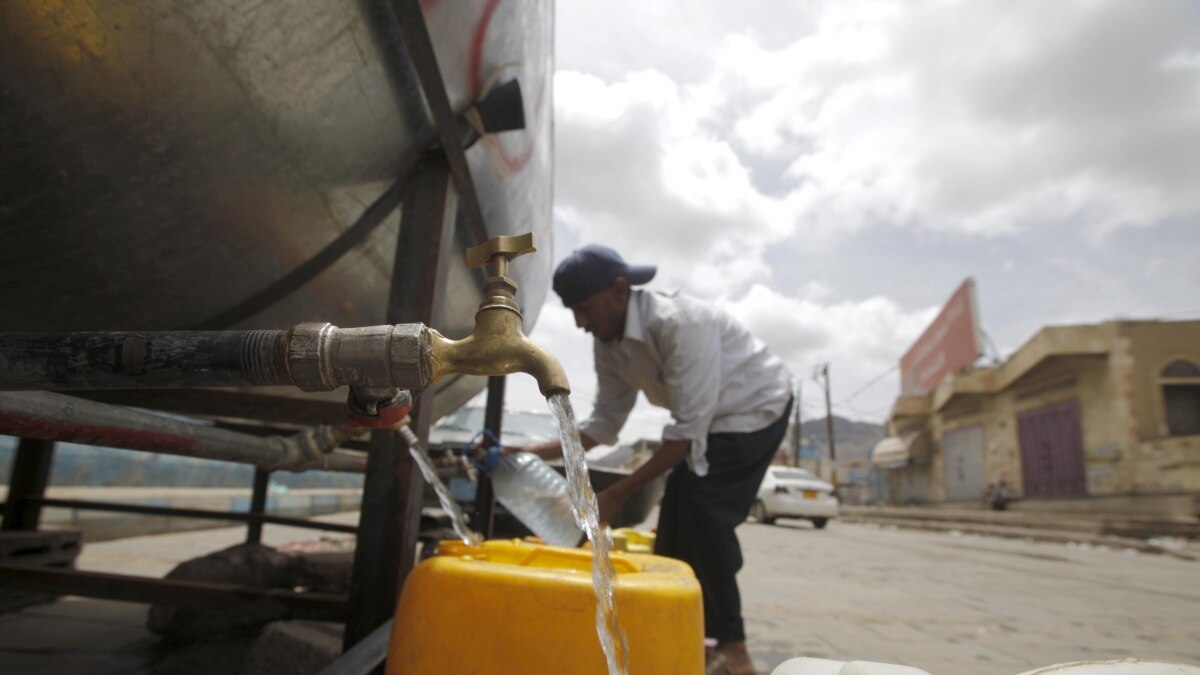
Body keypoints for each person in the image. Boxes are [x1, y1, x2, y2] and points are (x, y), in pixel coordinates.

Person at [510, 244, 793, 675]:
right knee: (677, 519)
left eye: (584, 308)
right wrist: (528, 453)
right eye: (572, 312)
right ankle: (688, 629)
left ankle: (734, 651)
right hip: (709, 422)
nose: (580, 323)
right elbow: (603, 425)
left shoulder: (680, 324)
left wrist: (617, 494)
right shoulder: (609, 346)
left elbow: (686, 431)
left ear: (620, 290)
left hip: (755, 407)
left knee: (706, 514)